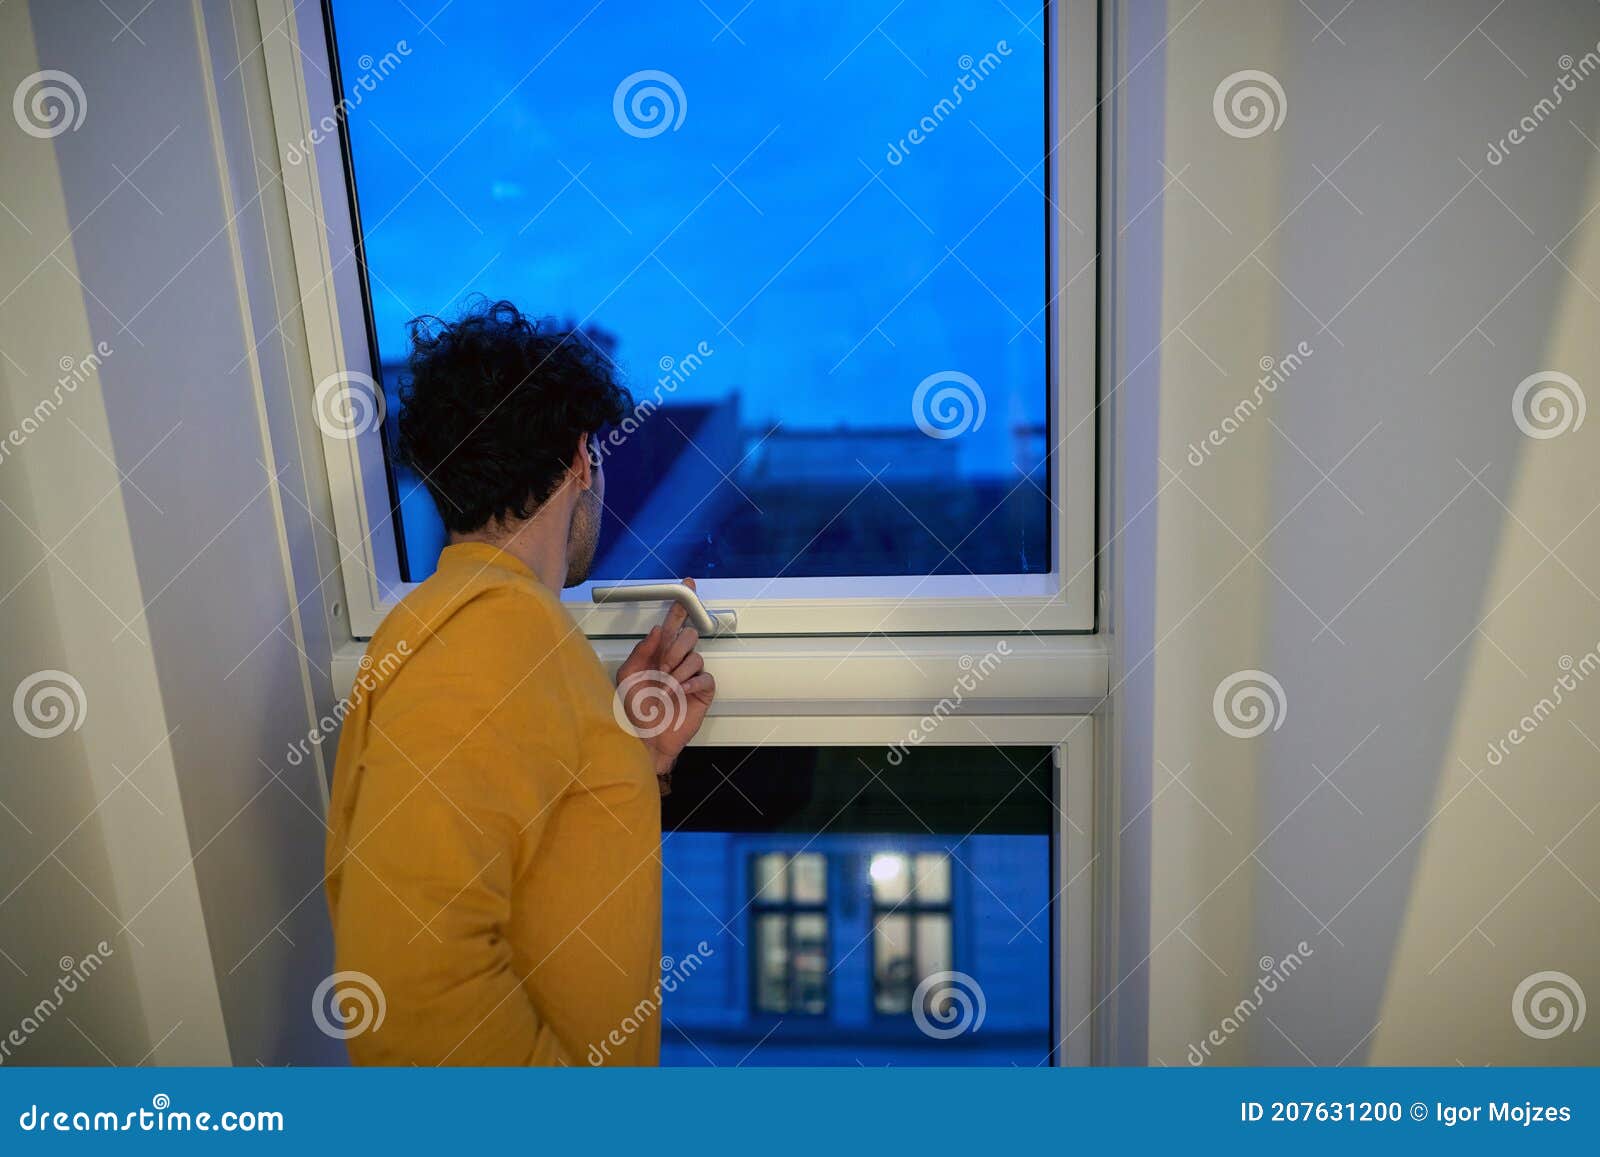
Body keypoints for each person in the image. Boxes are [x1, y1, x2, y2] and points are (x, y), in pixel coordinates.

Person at [324, 299, 714, 1065]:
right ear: (579, 459)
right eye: (597, 457)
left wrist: (633, 754)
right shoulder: (492, 633)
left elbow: (535, 869)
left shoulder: (464, 621)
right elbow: (411, 982)